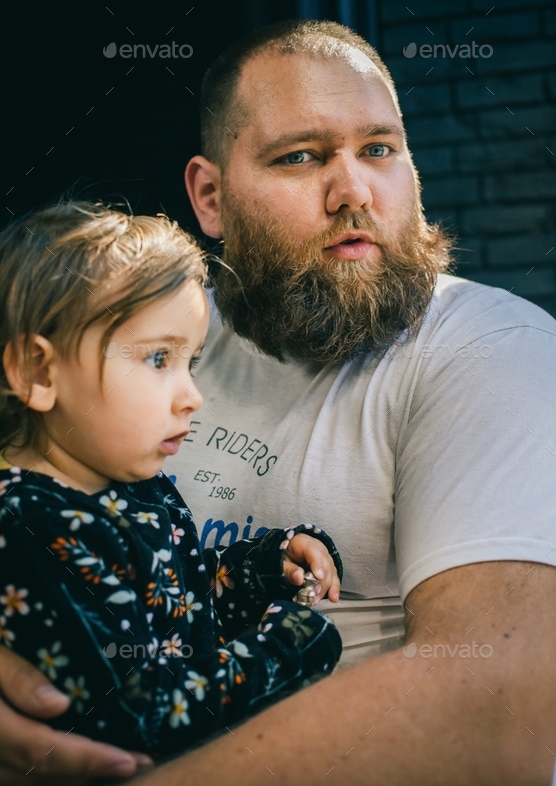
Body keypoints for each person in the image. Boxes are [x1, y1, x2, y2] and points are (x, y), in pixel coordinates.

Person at [0, 19, 556, 785]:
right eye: (302, 156)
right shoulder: (157, 330)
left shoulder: (498, 353)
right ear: (210, 197)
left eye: (379, 149)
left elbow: (488, 727)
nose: (353, 191)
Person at [0, 202, 342, 763]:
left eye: (192, 361)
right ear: (39, 373)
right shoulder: (32, 532)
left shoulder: (133, 484)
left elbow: (174, 611)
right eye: (159, 359)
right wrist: (290, 644)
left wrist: (259, 571)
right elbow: (142, 714)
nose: (192, 395)